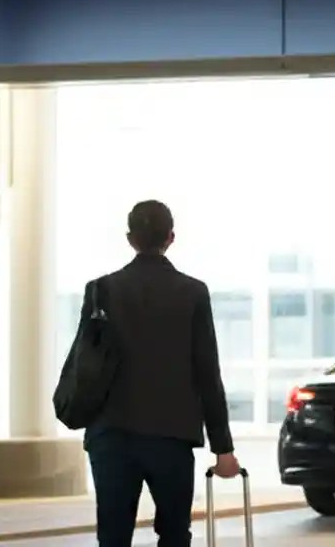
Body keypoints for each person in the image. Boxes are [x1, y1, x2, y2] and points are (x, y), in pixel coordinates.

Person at [81, 199, 240, 547]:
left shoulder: (101, 290)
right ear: (171, 237)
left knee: (112, 536)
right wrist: (222, 449)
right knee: (173, 534)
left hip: (111, 436)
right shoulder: (193, 293)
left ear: (130, 238)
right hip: (171, 438)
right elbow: (207, 373)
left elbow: (83, 364)